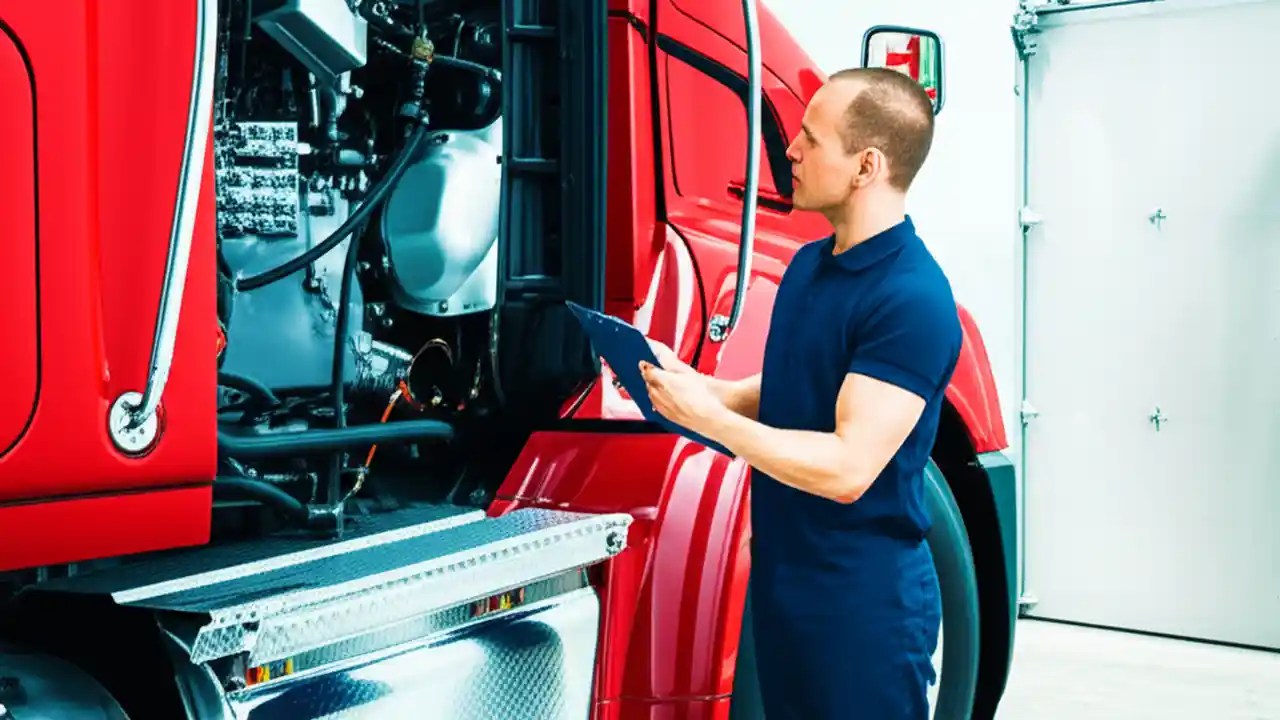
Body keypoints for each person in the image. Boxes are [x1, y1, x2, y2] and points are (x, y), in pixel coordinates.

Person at [639, 66, 962, 719]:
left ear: (866, 166)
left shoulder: (914, 299)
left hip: (861, 608)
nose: (789, 150)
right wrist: (701, 388)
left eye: (811, 140)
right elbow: (801, 383)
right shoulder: (812, 264)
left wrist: (709, 420)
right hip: (788, 587)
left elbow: (848, 467)